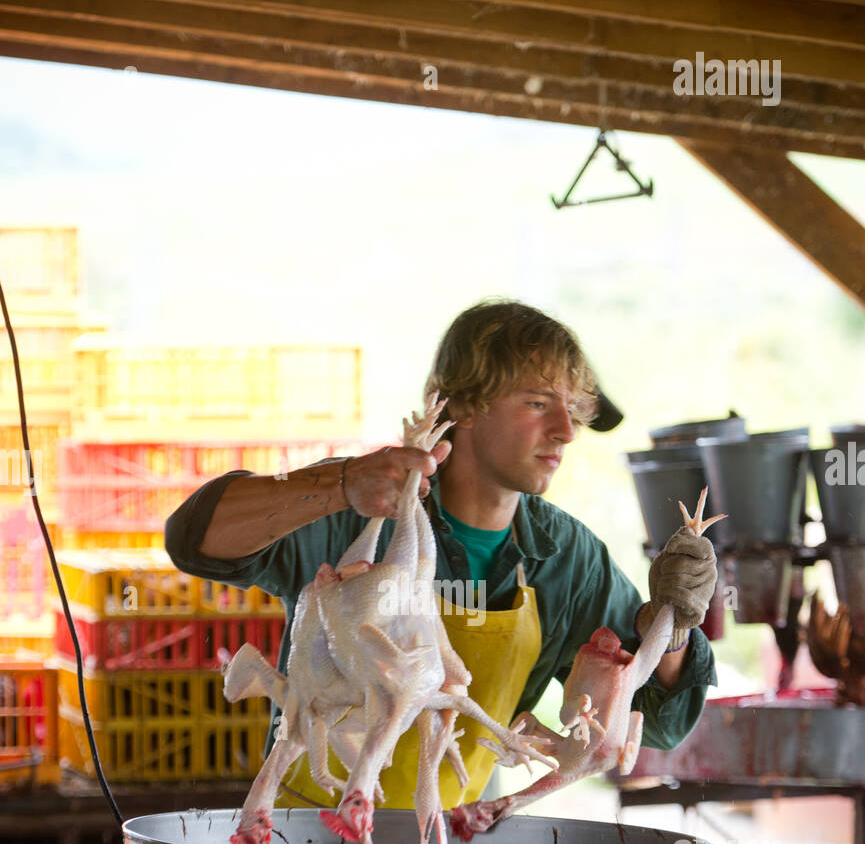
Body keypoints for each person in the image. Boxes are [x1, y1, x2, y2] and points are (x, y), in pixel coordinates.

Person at [165, 300, 717, 812]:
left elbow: (659, 723)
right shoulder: (362, 509)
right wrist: (336, 484)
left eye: (572, 410)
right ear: (467, 405)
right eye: (537, 404)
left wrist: (672, 626)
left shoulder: (565, 558)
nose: (567, 432)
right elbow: (195, 542)